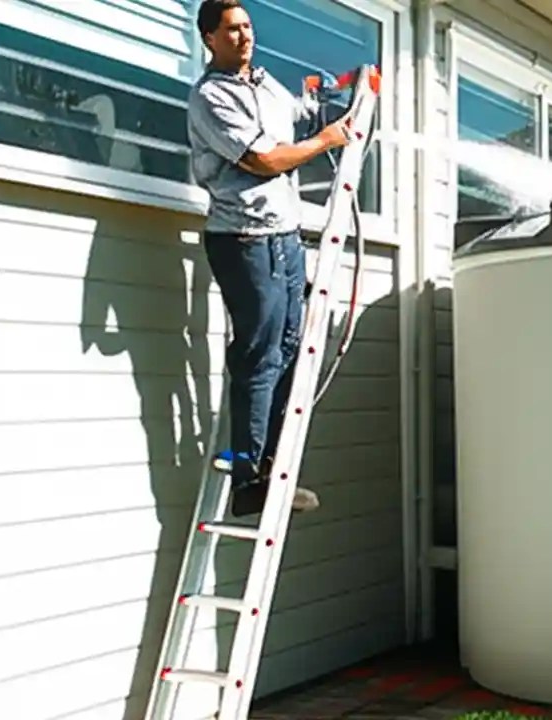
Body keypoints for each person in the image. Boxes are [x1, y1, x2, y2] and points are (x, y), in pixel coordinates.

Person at [189, 0, 353, 517]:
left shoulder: (264, 84)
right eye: (231, 30)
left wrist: (337, 98)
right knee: (259, 355)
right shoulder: (211, 97)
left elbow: (300, 116)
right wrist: (324, 140)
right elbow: (263, 159)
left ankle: (270, 466)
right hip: (243, 239)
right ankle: (247, 478)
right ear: (209, 39)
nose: (244, 36)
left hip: (284, 236)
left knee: (287, 346)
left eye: (247, 27)